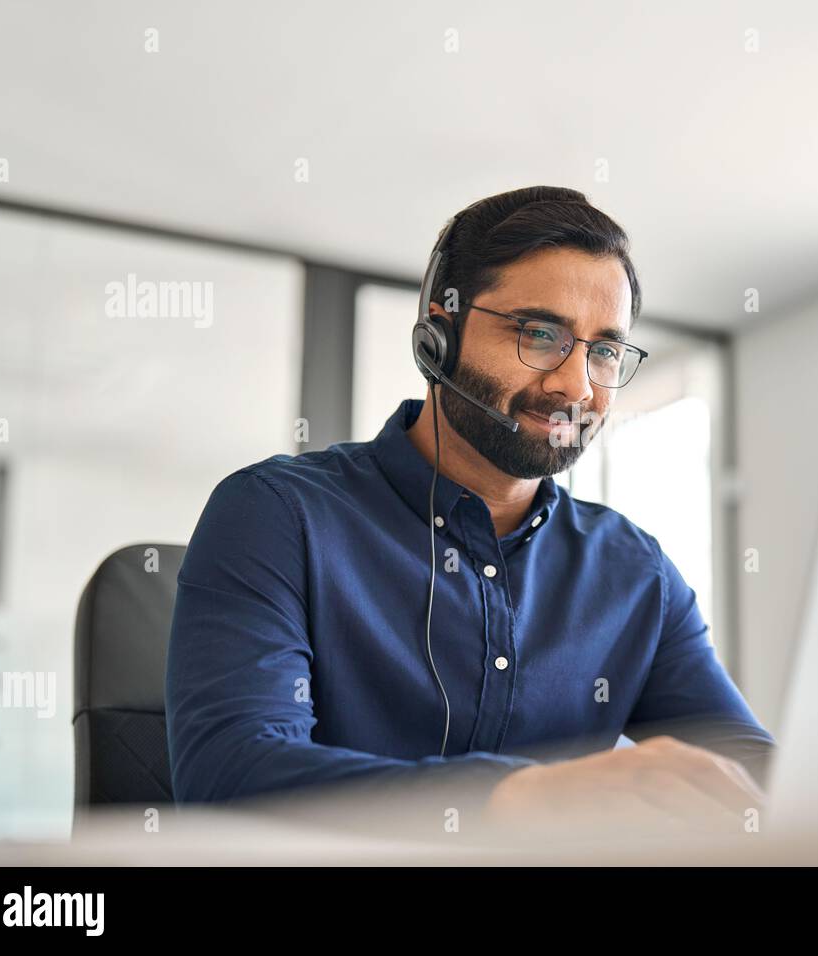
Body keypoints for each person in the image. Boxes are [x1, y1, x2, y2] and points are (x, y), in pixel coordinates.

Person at [165, 185, 774, 837]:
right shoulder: (276, 515)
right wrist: (519, 797)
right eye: (540, 334)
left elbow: (747, 777)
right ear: (439, 335)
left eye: (603, 352)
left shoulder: (634, 573)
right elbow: (228, 777)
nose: (576, 386)